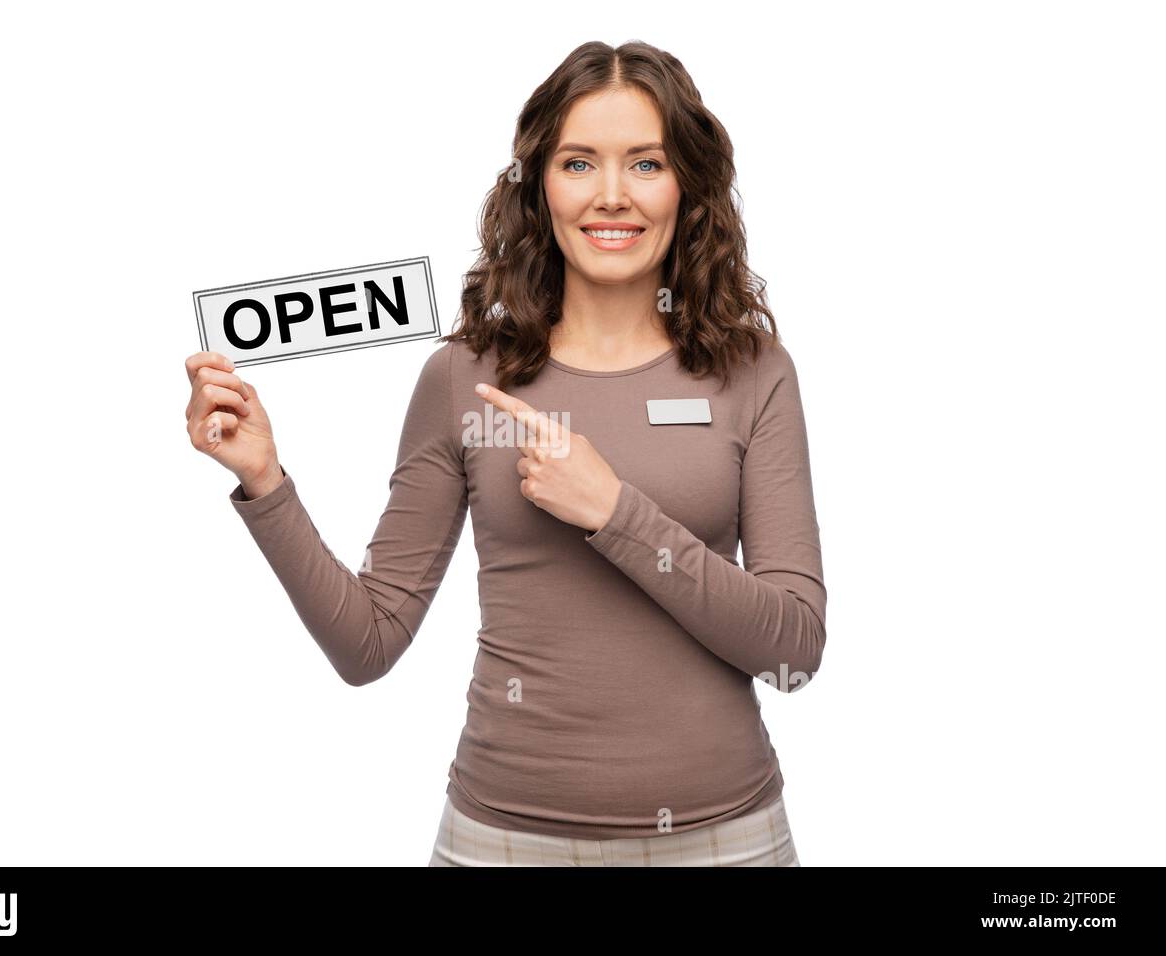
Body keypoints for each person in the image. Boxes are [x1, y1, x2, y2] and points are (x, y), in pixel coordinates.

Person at [183, 39, 825, 866]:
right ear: (540, 185)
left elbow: (793, 651)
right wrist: (265, 482)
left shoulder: (753, 373)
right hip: (502, 844)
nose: (612, 196)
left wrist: (615, 513)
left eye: (647, 163)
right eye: (579, 163)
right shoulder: (462, 377)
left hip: (726, 842)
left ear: (688, 185)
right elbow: (367, 644)